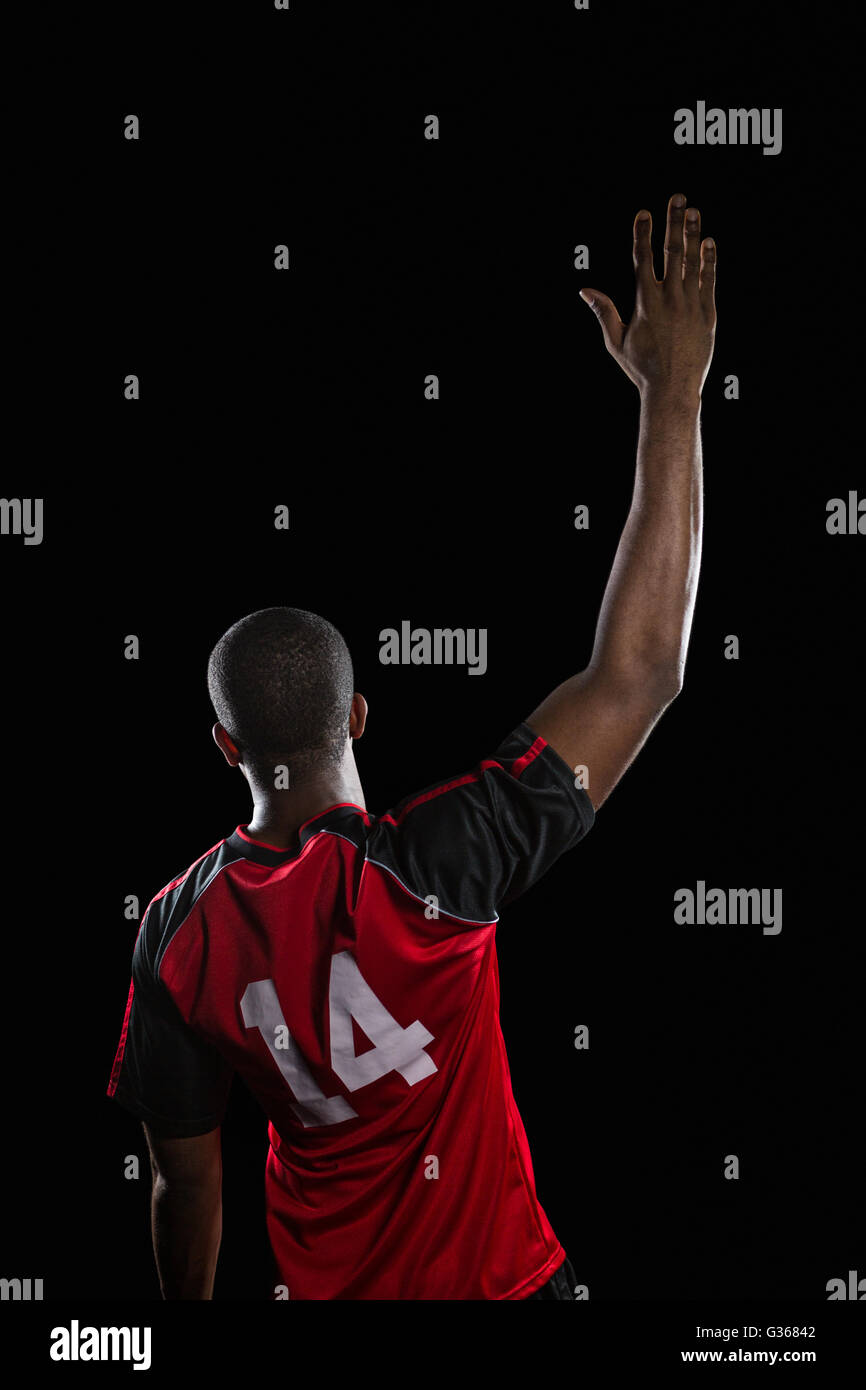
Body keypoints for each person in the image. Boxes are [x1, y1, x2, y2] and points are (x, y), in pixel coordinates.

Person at [107, 192, 717, 1300]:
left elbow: (185, 1189)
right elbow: (639, 672)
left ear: (223, 742)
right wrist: (668, 394)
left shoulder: (172, 932)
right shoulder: (439, 864)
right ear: (357, 716)